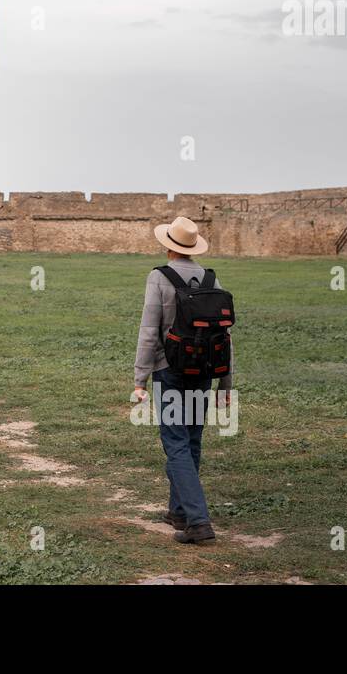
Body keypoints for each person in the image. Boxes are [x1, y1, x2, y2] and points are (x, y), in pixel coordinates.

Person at [132, 216, 233, 544]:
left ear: (168, 246)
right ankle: (178, 511)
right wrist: (226, 384)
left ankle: (198, 522)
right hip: (204, 372)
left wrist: (139, 379)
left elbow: (149, 331)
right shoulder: (210, 279)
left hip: (170, 370)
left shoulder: (158, 277)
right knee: (191, 440)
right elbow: (223, 336)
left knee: (175, 442)